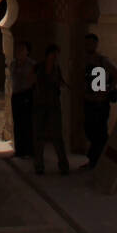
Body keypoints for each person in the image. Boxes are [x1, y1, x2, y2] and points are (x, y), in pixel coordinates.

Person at [81, 32, 117, 170]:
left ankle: (97, 162)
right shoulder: (85, 60)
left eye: (91, 43)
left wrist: (108, 89)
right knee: (90, 130)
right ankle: (95, 160)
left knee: (100, 133)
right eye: (87, 43)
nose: (88, 46)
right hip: (89, 102)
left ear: (96, 44)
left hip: (100, 103)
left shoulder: (102, 60)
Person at [33, 43, 69, 175]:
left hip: (53, 106)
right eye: (53, 55)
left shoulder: (56, 69)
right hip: (40, 105)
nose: (55, 58)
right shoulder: (38, 68)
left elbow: (61, 84)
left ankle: (63, 165)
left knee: (57, 136)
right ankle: (39, 165)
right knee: (39, 137)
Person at [10, 39, 36, 158]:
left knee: (27, 123)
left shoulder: (32, 65)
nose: (19, 51)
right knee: (17, 123)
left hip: (26, 94)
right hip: (16, 95)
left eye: (22, 49)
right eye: (18, 48)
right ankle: (19, 150)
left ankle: (29, 150)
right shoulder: (13, 63)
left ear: (27, 51)